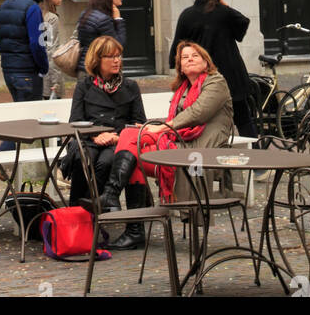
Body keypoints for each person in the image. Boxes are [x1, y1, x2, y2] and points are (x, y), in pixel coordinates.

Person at [87, 41, 234, 234]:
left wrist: (160, 128)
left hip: (199, 149)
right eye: (184, 57)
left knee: (133, 149)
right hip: (179, 140)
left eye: (195, 56)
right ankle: (120, 209)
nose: (189, 59)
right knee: (130, 136)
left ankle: (127, 220)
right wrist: (158, 128)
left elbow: (198, 113)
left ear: (206, 62)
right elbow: (176, 123)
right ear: (180, 66)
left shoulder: (216, 82)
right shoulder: (183, 89)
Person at [63, 37, 147, 247]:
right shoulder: (84, 86)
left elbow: (139, 123)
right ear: (97, 60)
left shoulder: (130, 86)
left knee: (107, 161)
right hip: (89, 139)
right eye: (110, 56)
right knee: (86, 158)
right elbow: (75, 121)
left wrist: (117, 137)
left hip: (117, 141)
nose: (116, 60)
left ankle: (95, 214)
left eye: (118, 55)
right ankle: (79, 216)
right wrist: (94, 135)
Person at [168, 0, 256, 137]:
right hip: (232, 78)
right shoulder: (224, 13)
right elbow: (243, 23)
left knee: (200, 121)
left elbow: (176, 52)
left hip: (202, 80)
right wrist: (221, 3)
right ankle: (257, 157)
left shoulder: (187, 16)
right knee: (244, 120)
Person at [76, 0, 127, 75]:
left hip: (84, 66)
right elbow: (118, 46)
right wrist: (118, 20)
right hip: (98, 70)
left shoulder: (86, 13)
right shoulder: (103, 19)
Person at [42, 0, 65, 100]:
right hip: (50, 75)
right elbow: (50, 48)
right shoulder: (52, 18)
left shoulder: (40, 14)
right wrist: (55, 81)